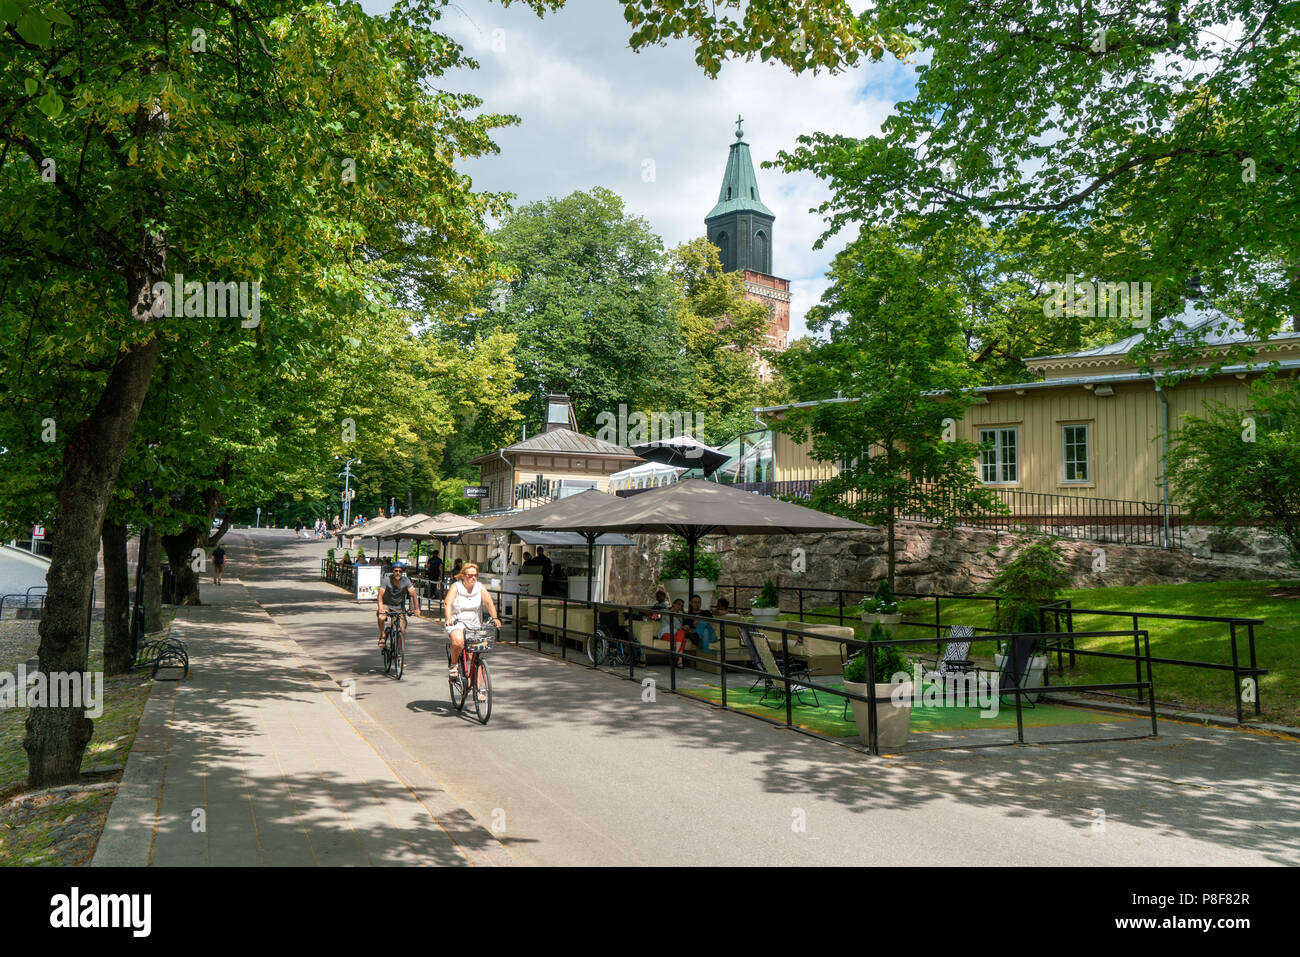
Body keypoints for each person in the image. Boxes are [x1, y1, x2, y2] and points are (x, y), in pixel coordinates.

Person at [443, 563, 501, 700]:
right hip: (457, 622)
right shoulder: (456, 587)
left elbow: (489, 603)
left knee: (476, 656)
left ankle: (478, 690)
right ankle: (454, 665)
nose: (473, 578)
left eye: (476, 575)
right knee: (457, 641)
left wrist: (495, 618)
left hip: (475, 625)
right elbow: (448, 603)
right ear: (463, 576)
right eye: (470, 575)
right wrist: (448, 618)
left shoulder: (479, 587)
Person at [376, 560, 421, 648]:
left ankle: (400, 656)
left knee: (401, 631)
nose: (398, 573)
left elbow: (414, 595)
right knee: (381, 617)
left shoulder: (406, 581)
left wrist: (417, 609)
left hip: (399, 607)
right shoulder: (386, 580)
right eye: (396, 571)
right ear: (393, 571)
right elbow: (380, 595)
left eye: (400, 571)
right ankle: (382, 635)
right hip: (386, 605)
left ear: (402, 573)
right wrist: (381, 608)